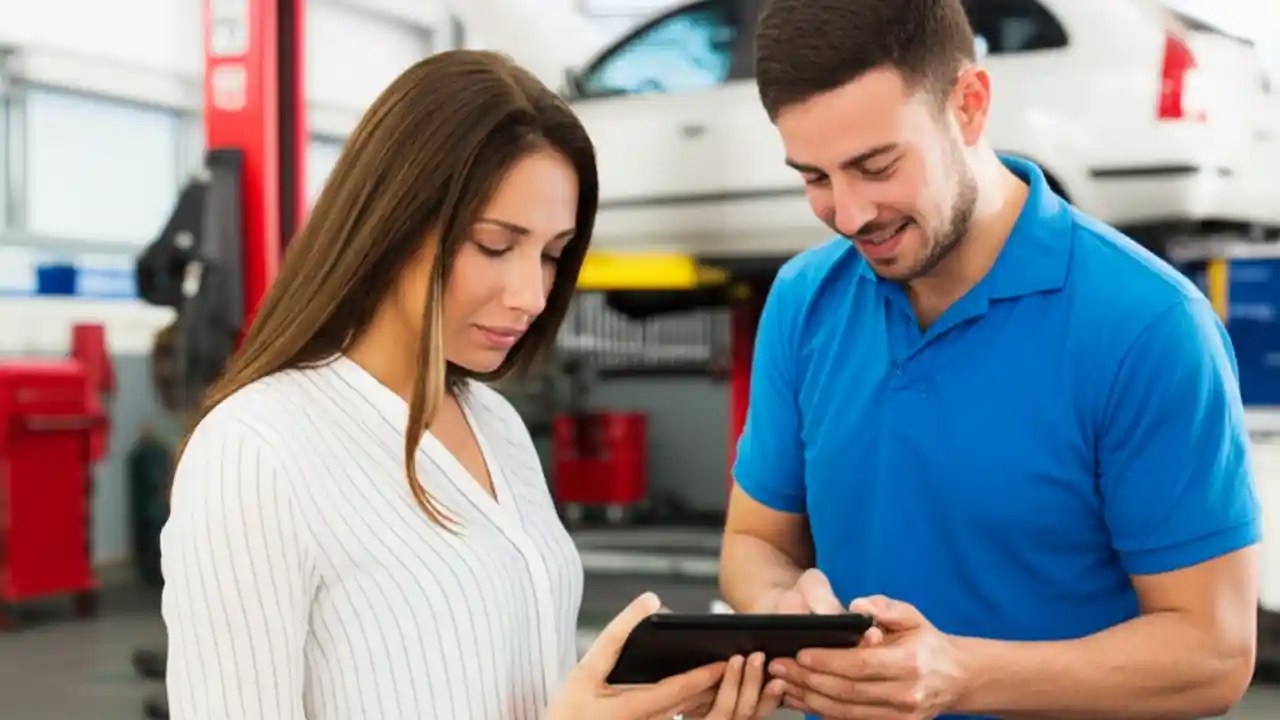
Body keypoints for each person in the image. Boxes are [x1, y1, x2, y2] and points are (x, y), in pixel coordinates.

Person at [160, 50, 782, 720]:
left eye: (551, 254)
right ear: (391, 221)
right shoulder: (257, 450)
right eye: (494, 245)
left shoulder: (494, 424)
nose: (532, 294)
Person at [718, 1, 1262, 718]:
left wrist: (960, 673)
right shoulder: (802, 301)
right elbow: (753, 542)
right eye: (815, 178)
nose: (850, 216)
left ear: (970, 105)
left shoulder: (1148, 326)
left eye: (876, 166)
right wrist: (782, 603)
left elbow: (1214, 655)